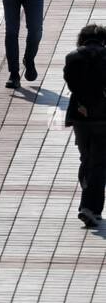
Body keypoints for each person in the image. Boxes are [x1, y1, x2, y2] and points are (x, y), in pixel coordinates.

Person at [63, 24, 106, 227]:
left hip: (80, 117)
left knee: (87, 158)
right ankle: (89, 208)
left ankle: (88, 196)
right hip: (103, 117)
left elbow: (71, 84)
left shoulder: (72, 58)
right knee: (98, 163)